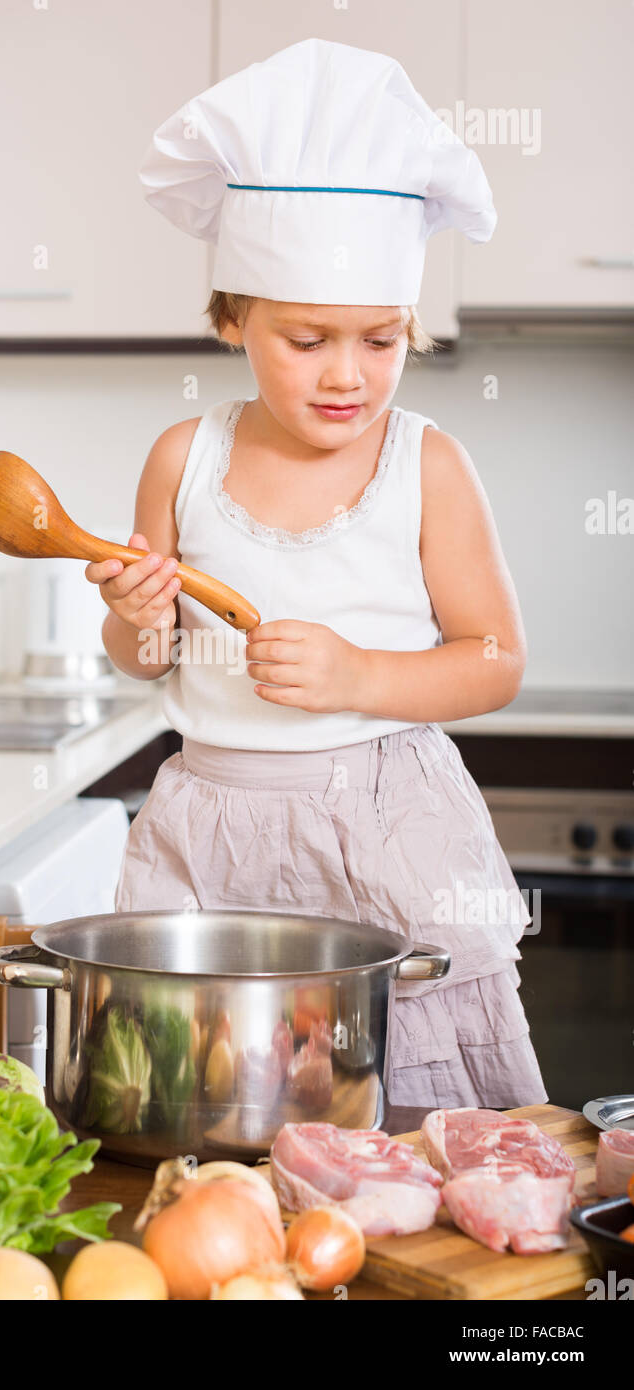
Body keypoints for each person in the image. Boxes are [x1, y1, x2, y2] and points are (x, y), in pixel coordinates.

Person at [86, 39, 547, 1110]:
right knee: (212, 1108)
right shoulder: (181, 458)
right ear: (234, 319)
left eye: (379, 341)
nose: (347, 375)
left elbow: (494, 659)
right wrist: (131, 615)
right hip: (210, 824)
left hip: (387, 826)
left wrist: (357, 676)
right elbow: (144, 659)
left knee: (412, 1120)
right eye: (306, 339)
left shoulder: (426, 462)